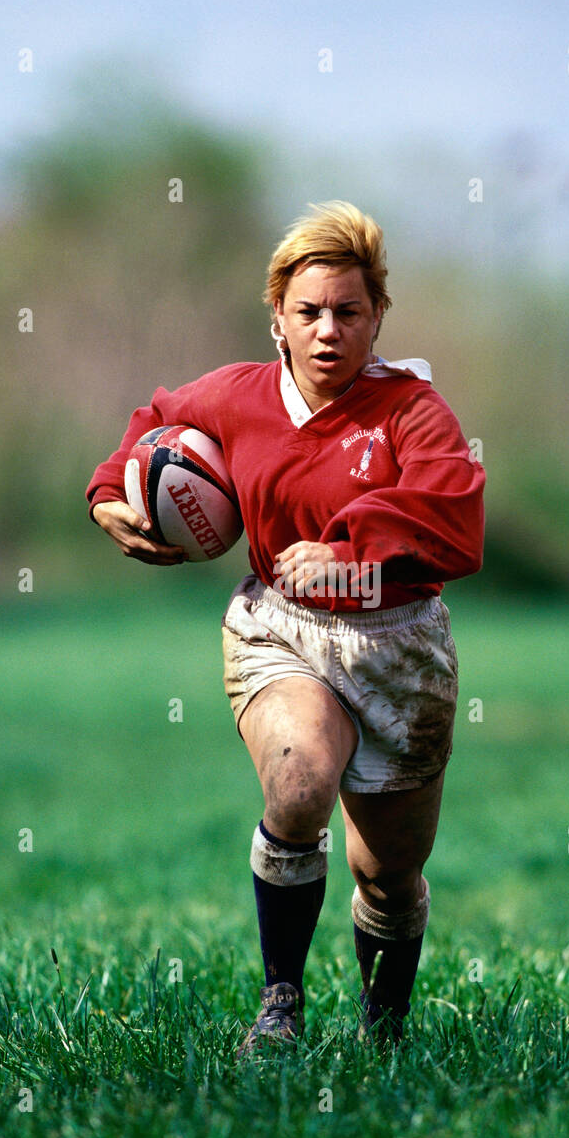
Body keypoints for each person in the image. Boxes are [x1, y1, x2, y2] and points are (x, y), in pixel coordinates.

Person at [85, 201, 485, 1054]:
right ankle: (280, 1009)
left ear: (378, 316)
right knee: (298, 783)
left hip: (398, 646)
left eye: (349, 311)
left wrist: (350, 547)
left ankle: (385, 1033)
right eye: (309, 312)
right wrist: (110, 494)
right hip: (282, 628)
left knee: (389, 874)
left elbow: (458, 523)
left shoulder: (412, 411)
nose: (328, 330)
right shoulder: (237, 395)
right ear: (278, 317)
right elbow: (153, 422)